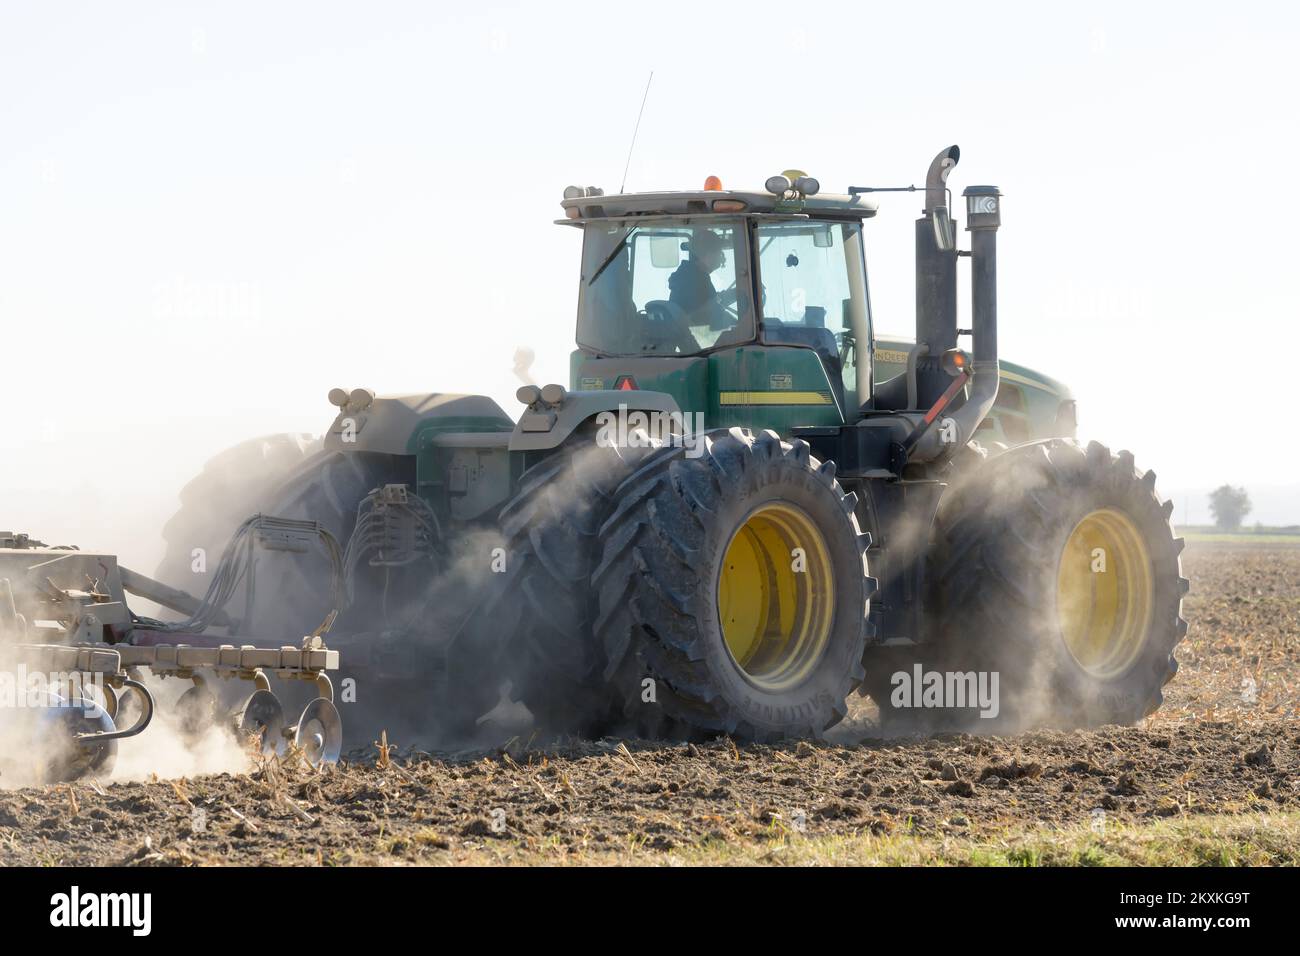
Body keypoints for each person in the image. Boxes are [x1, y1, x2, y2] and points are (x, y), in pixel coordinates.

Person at [668, 230, 730, 328]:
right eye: (719, 252)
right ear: (709, 254)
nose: (721, 258)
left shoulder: (686, 275)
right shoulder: (697, 280)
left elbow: (705, 303)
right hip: (700, 337)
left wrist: (726, 297)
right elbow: (707, 310)